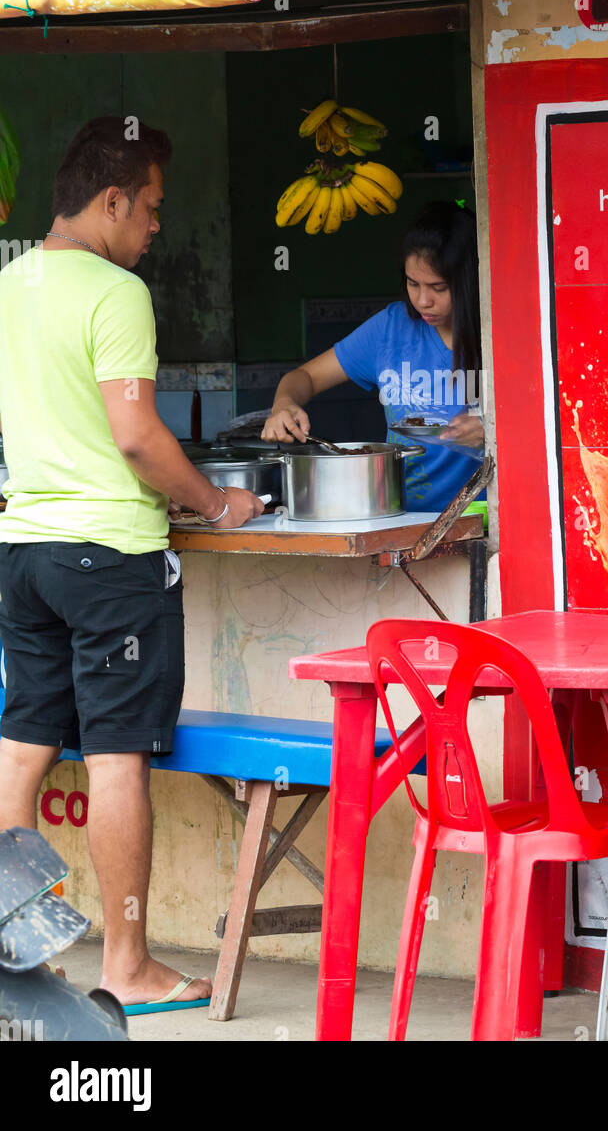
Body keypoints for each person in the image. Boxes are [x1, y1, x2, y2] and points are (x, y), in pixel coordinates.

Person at [0, 117, 262, 1013]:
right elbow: (137, 437)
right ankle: (127, 963)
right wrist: (217, 503)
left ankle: (18, 955)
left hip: (25, 551)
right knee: (115, 760)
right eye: (150, 207)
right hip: (109, 559)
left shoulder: (10, 284)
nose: (154, 227)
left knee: (22, 748)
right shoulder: (116, 293)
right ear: (111, 200)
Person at [262, 201, 484, 510]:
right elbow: (305, 377)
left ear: (469, 281)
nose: (423, 300)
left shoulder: (502, 336)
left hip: (478, 516)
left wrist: (494, 430)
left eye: (439, 287)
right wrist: (284, 404)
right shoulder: (390, 329)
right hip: (396, 514)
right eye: (413, 283)